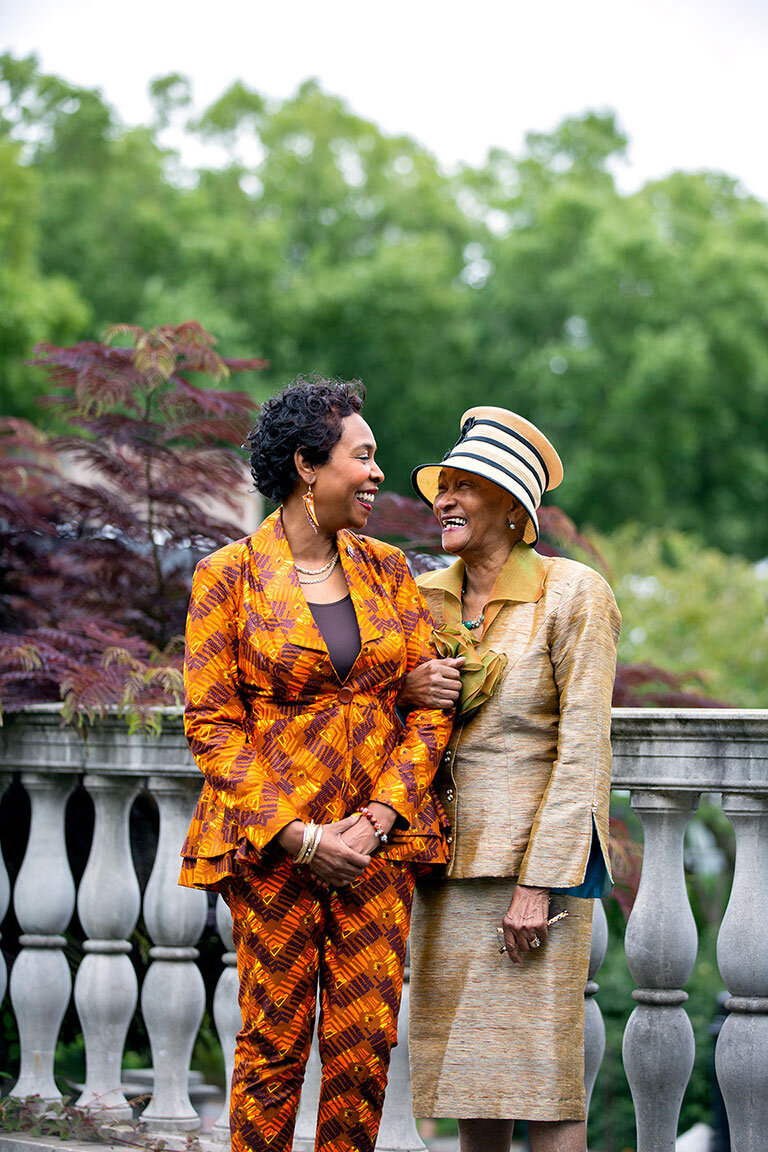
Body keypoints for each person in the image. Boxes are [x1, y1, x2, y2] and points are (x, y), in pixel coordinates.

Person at [178, 377, 454, 1152]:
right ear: (307, 464)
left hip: (378, 848)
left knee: (366, 1049)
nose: (377, 474)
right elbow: (211, 724)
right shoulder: (225, 577)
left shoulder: (390, 571)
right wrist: (300, 837)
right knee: (272, 1048)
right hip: (272, 852)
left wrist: (377, 820)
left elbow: (432, 708)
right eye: (362, 458)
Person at [402, 406, 621, 1152]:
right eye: (444, 485)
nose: (445, 500)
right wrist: (407, 692)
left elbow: (585, 750)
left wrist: (540, 884)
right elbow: (380, 712)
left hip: (530, 880)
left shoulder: (574, 593)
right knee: (472, 1092)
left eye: (467, 485)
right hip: (441, 869)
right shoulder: (421, 596)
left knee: (544, 1088)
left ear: (514, 508)